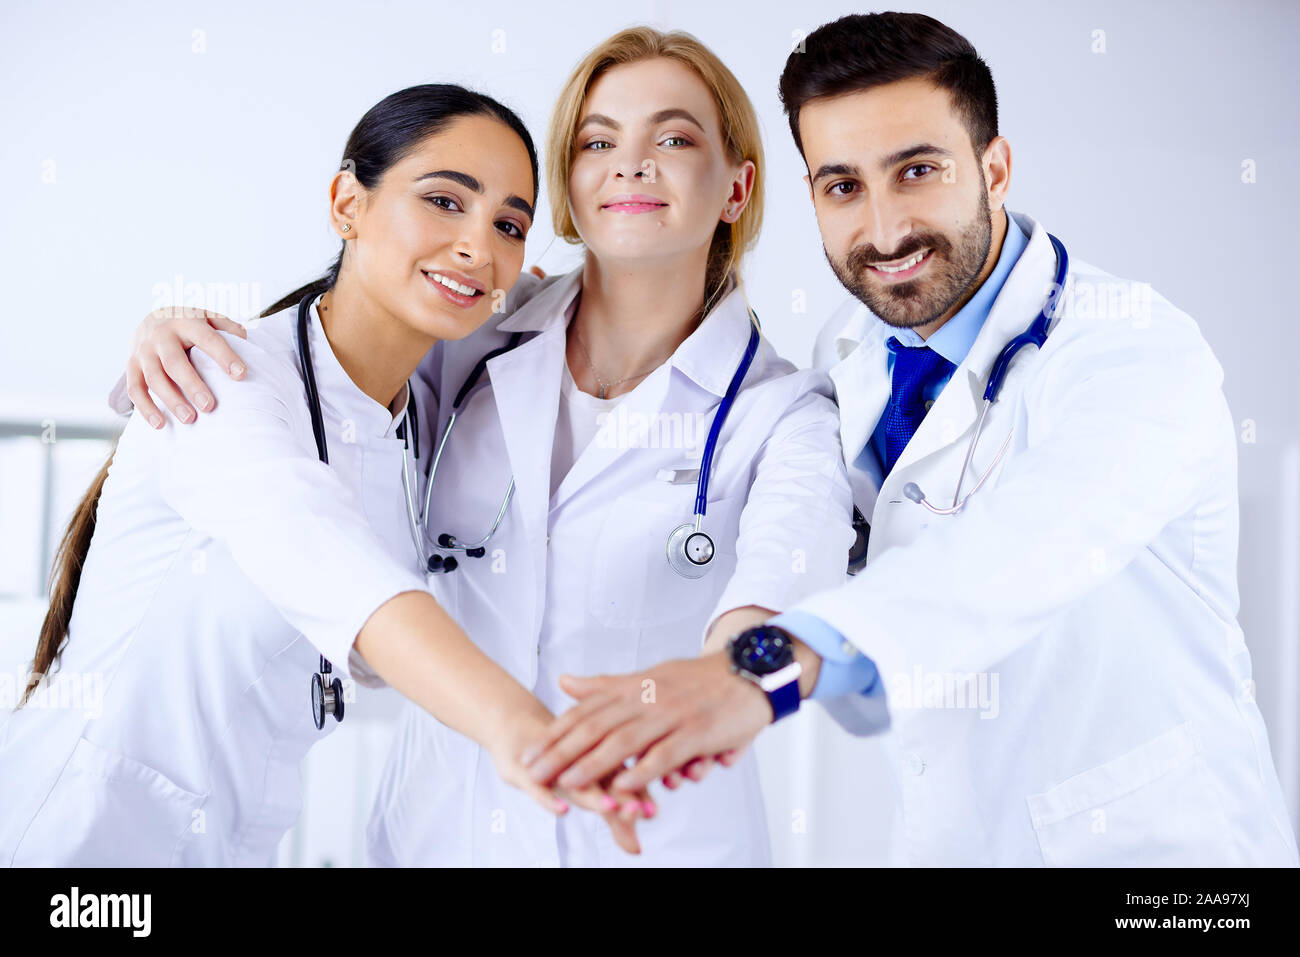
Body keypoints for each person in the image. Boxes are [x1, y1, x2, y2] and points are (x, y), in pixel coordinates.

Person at [521, 12, 1300, 867]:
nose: (886, 231)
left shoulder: (1131, 349)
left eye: (917, 171)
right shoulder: (850, 357)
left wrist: (764, 667)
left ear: (994, 169)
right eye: (843, 186)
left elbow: (1022, 549)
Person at [110, 28, 861, 866]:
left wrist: (738, 683)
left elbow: (797, 603)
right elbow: (333, 358)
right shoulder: (471, 332)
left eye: (676, 138)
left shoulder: (786, 413)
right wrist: (185, 325)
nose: (632, 162)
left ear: (737, 187)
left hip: (657, 840)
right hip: (436, 838)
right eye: (598, 140)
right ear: (570, 187)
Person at [1, 83, 641, 867]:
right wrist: (523, 727)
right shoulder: (221, 380)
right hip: (74, 842)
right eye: (444, 200)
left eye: (508, 224)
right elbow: (327, 560)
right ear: (348, 204)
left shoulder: (410, 420)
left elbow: (617, 306)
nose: (479, 245)